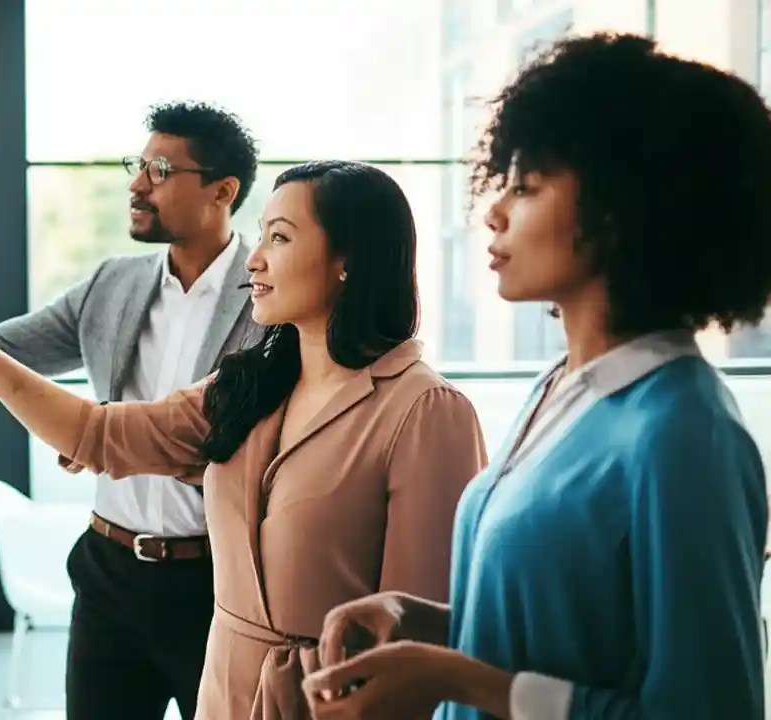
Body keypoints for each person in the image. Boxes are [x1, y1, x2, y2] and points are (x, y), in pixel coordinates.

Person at [0, 160, 488, 718]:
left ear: (347, 260)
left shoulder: (426, 411)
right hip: (223, 687)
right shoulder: (253, 383)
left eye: (279, 237)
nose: (256, 260)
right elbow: (97, 433)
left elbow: (417, 641)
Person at [301, 33, 771, 720]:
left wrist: (459, 680)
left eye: (525, 187)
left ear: (619, 208)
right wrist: (423, 620)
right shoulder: (561, 391)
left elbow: (708, 710)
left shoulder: (685, 435)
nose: (494, 210)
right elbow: (564, 625)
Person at [0, 101, 262, 719]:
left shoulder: (270, 299)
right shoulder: (112, 285)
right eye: (138, 165)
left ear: (222, 191)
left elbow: (250, 448)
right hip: (109, 575)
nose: (136, 183)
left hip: (219, 582)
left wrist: (99, 438)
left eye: (159, 169)